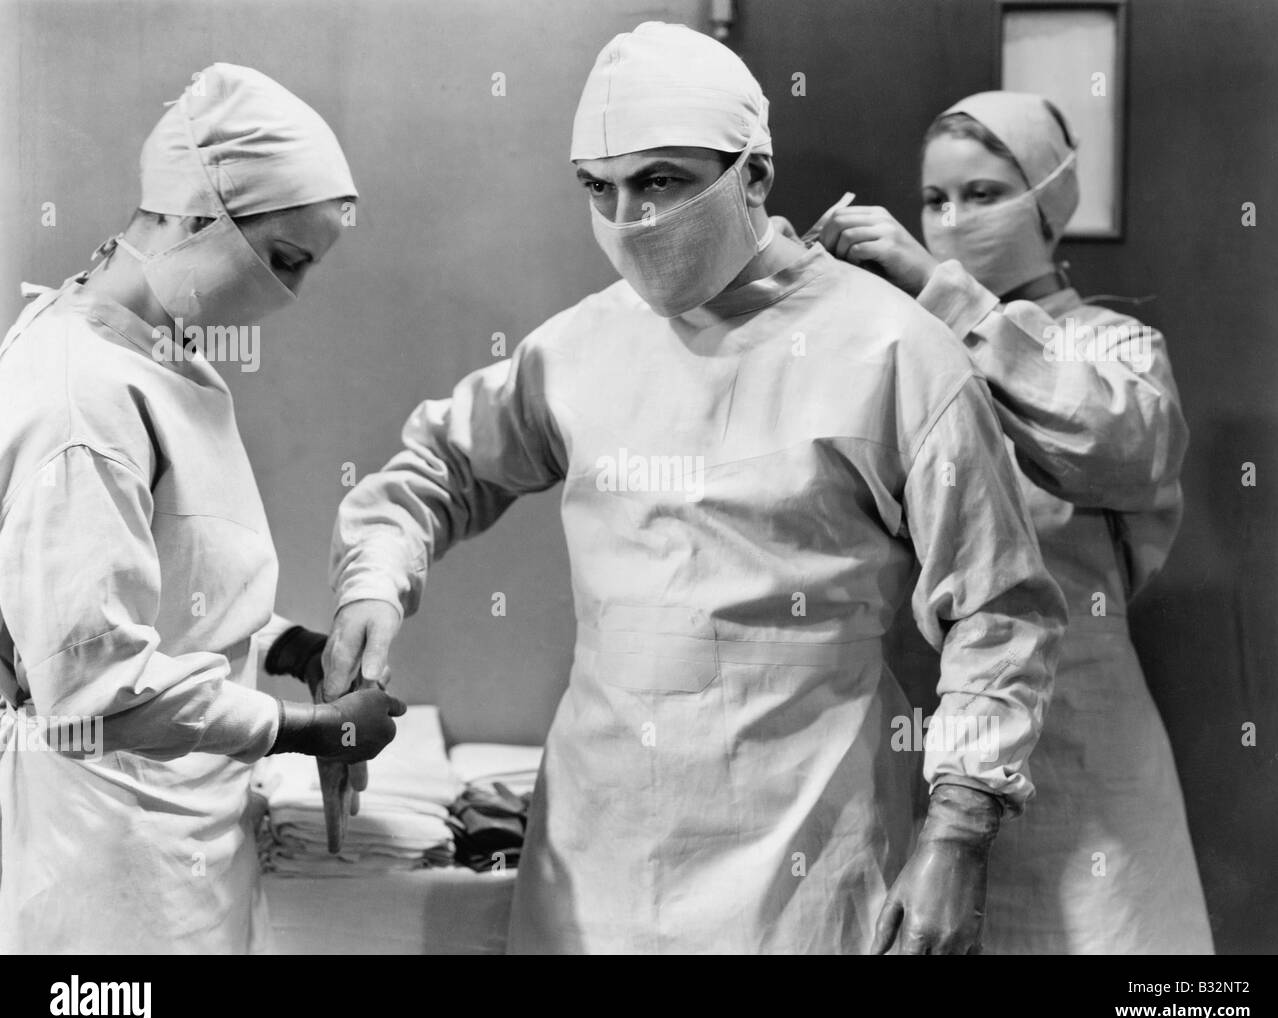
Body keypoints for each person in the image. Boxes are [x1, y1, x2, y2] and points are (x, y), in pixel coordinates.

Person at [324, 24, 1066, 954]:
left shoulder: (892, 351)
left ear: (753, 175)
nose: (630, 218)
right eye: (600, 188)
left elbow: (1000, 609)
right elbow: (439, 468)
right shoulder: (582, 349)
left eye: (662, 181)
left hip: (807, 861)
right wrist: (374, 580)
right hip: (598, 861)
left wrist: (958, 833)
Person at [0, 63, 405, 954]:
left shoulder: (168, 364)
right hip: (111, 864)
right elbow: (92, 687)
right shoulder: (81, 397)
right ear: (193, 215)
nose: (290, 292)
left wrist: (288, 645)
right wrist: (308, 728)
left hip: (187, 832)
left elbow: (179, 600)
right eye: (285, 259)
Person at [815, 90, 1213, 953]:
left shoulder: (1114, 348)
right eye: (935, 199)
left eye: (985, 192)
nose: (952, 220)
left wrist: (941, 293)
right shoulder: (900, 353)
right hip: (932, 749)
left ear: (1048, 200)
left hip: (1082, 749)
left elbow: (1120, 445)